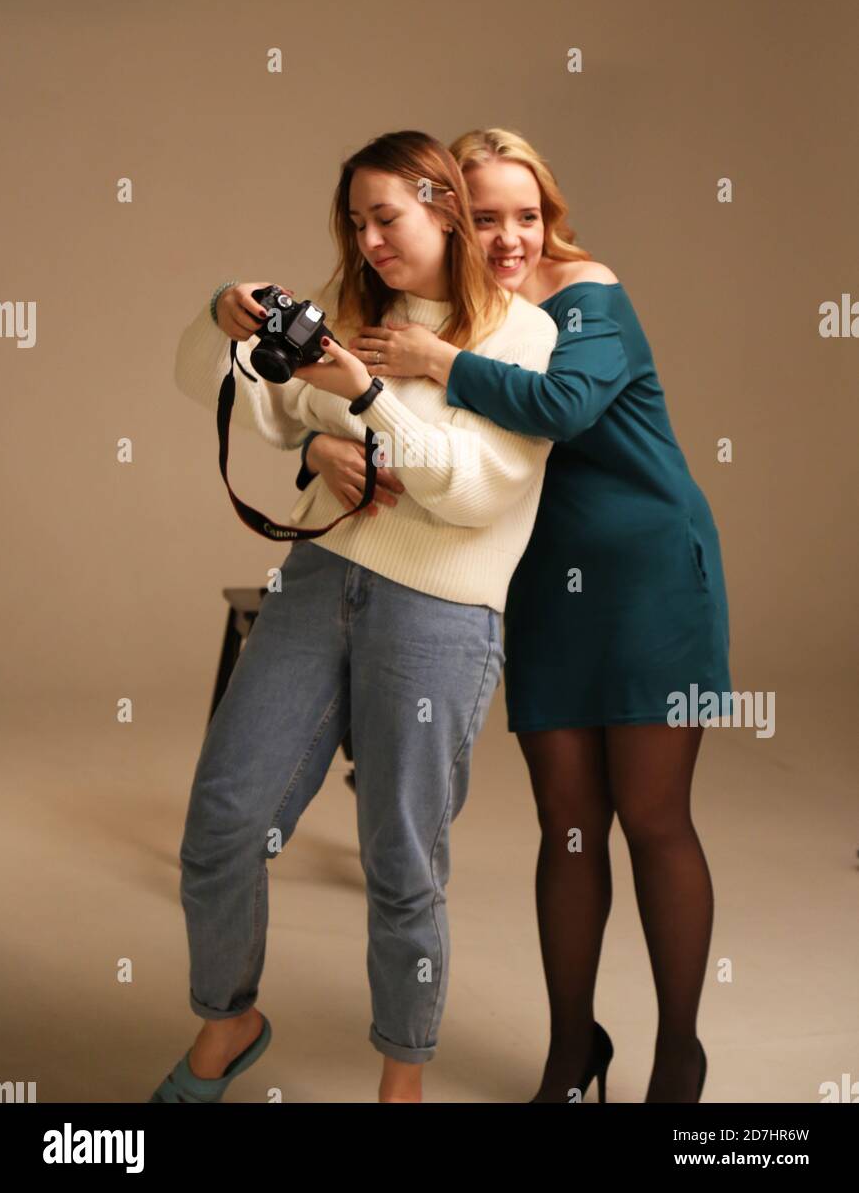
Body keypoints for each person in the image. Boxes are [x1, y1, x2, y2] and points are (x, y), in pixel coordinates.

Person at [296, 127, 731, 1103]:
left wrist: (438, 360)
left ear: (550, 216)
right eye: (483, 215)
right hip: (536, 584)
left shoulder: (585, 291)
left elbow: (566, 405)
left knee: (653, 817)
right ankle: (570, 1052)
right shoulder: (439, 310)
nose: (508, 236)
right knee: (566, 823)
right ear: (447, 213)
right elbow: (349, 412)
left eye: (524, 214)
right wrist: (314, 454)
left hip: (649, 577)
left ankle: (677, 1057)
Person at [152, 129, 559, 1104]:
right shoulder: (347, 315)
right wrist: (223, 320)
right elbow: (223, 393)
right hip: (316, 575)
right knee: (223, 821)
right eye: (355, 221)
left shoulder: (519, 336)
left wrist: (366, 401)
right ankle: (229, 1020)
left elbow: (472, 492)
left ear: (443, 207)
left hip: (438, 611)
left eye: (387, 216)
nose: (369, 238)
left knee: (400, 859)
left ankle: (400, 1078)